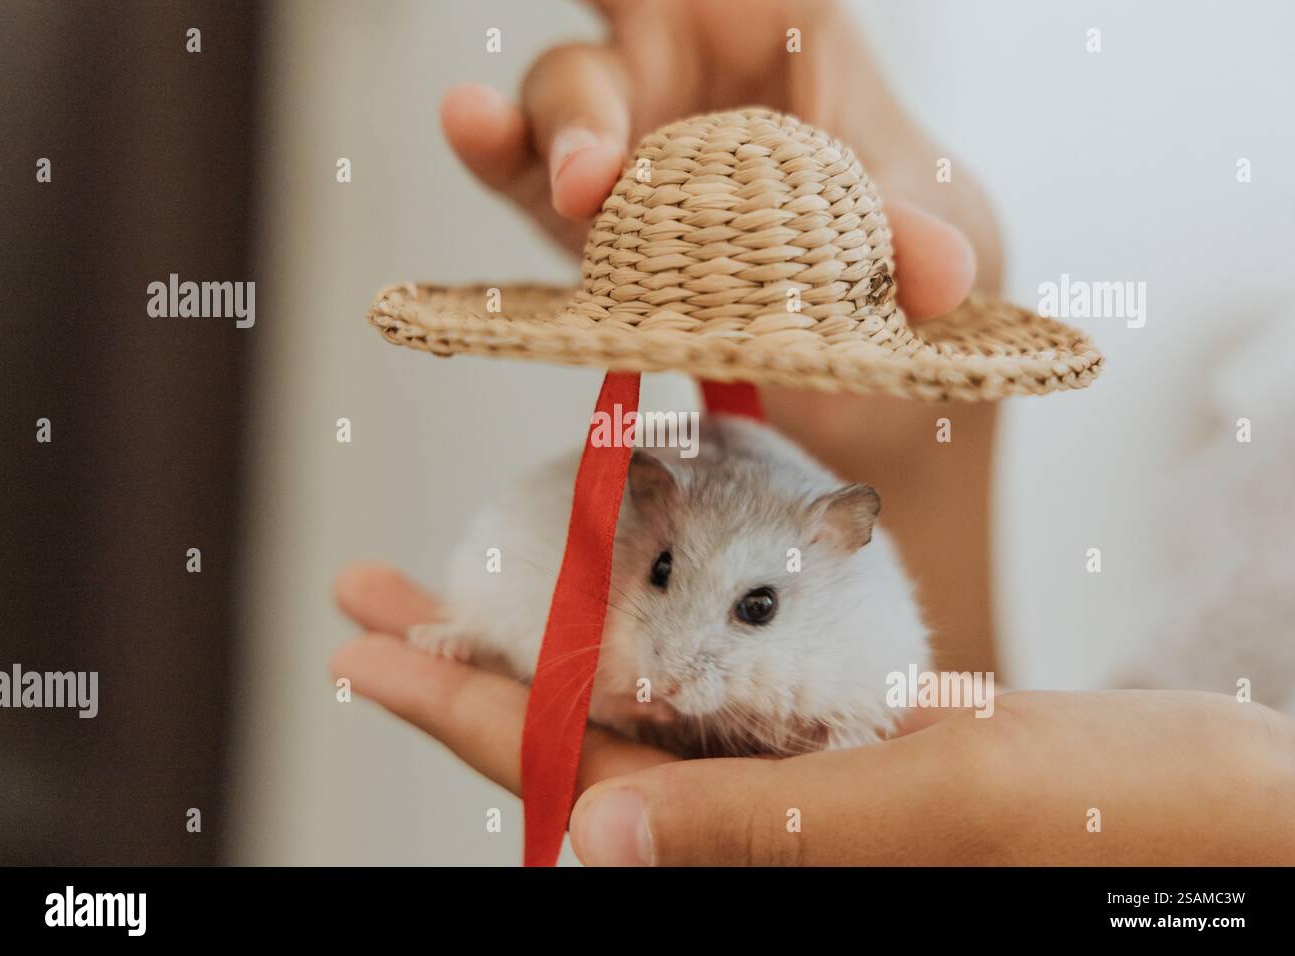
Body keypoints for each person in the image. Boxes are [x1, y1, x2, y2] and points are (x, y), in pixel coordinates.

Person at [331, 0, 1295, 865]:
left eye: (757, 608)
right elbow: (978, 763)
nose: (674, 664)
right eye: (661, 573)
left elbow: (971, 753)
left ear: (840, 546)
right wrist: (899, 431)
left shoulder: (858, 626)